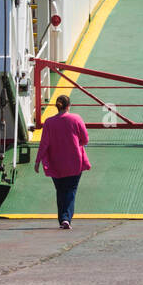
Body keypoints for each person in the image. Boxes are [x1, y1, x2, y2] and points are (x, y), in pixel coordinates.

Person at [34, 95, 91, 230]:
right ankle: (66, 219)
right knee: (71, 190)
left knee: (60, 191)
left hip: (56, 163)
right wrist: (76, 144)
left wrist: (37, 161)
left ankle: (62, 219)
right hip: (74, 161)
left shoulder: (49, 122)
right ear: (68, 106)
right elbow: (85, 139)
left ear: (57, 106)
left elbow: (44, 144)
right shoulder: (76, 119)